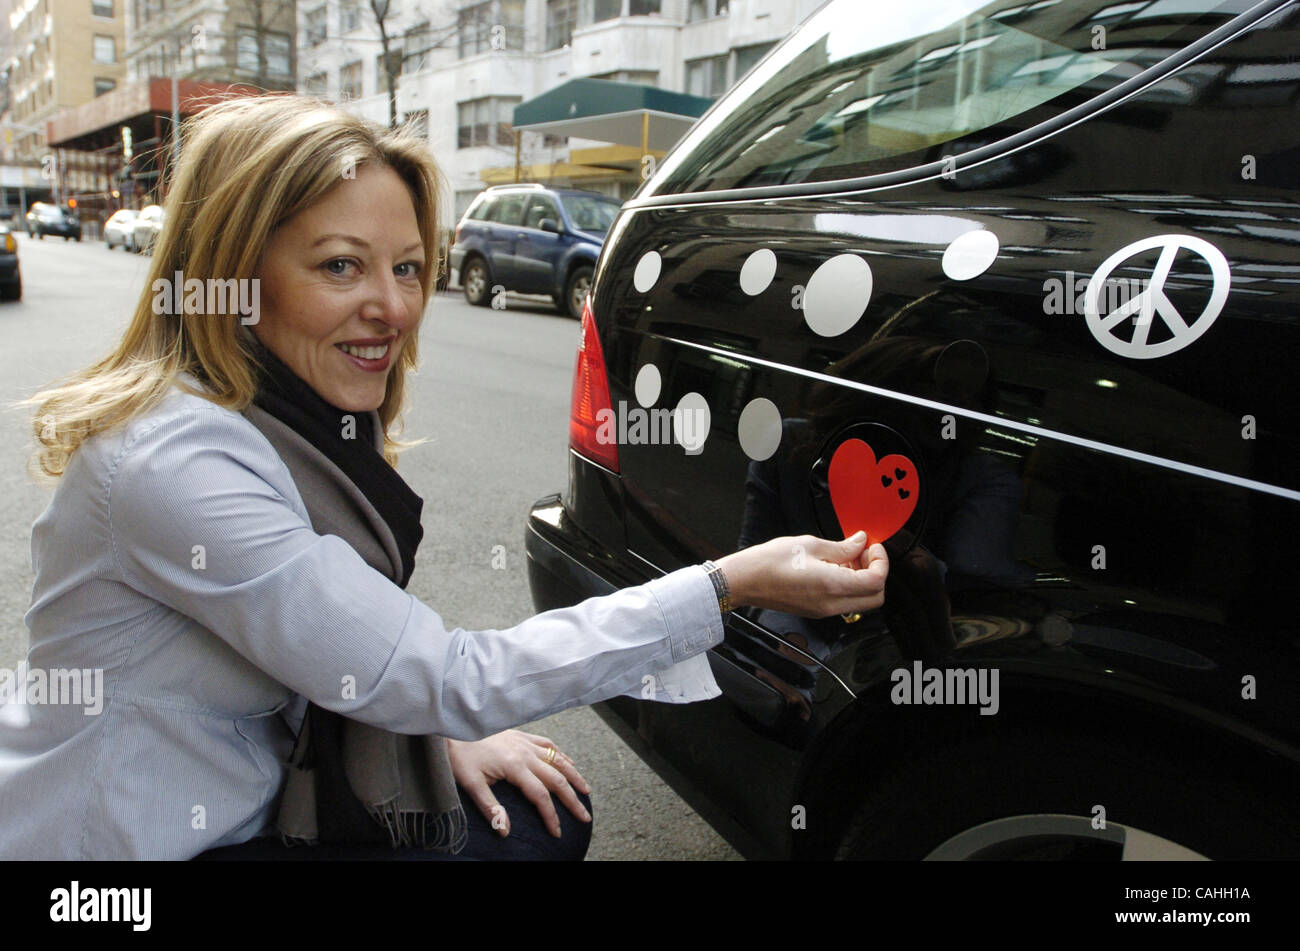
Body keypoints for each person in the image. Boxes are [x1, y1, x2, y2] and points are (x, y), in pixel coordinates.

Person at [0, 95, 889, 860]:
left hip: (238, 804)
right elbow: (445, 673)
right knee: (533, 832)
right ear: (234, 274)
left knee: (540, 815)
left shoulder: (281, 417)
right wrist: (732, 582)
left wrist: (428, 733)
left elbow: (358, 653)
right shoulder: (175, 461)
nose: (394, 307)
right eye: (340, 264)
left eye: (406, 267)